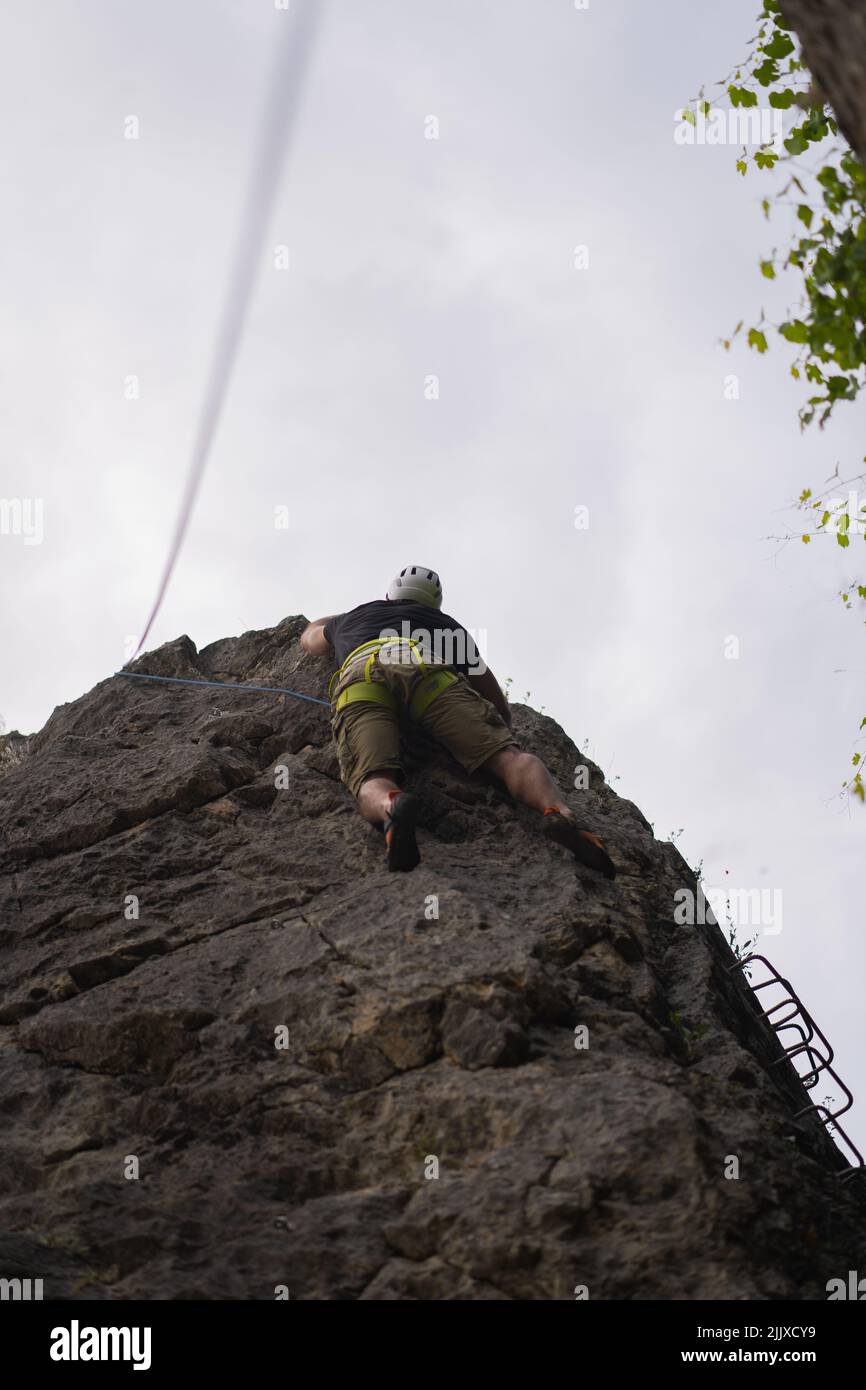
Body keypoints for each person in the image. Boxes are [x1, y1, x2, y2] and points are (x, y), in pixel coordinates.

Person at [300, 565, 615, 878]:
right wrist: (496, 733)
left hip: (361, 677)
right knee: (509, 759)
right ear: (434, 603)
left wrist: (331, 621)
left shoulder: (353, 618)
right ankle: (558, 813)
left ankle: (391, 805)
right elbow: (495, 700)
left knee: (371, 778)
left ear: (390, 593)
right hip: (426, 671)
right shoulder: (447, 626)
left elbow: (310, 640)